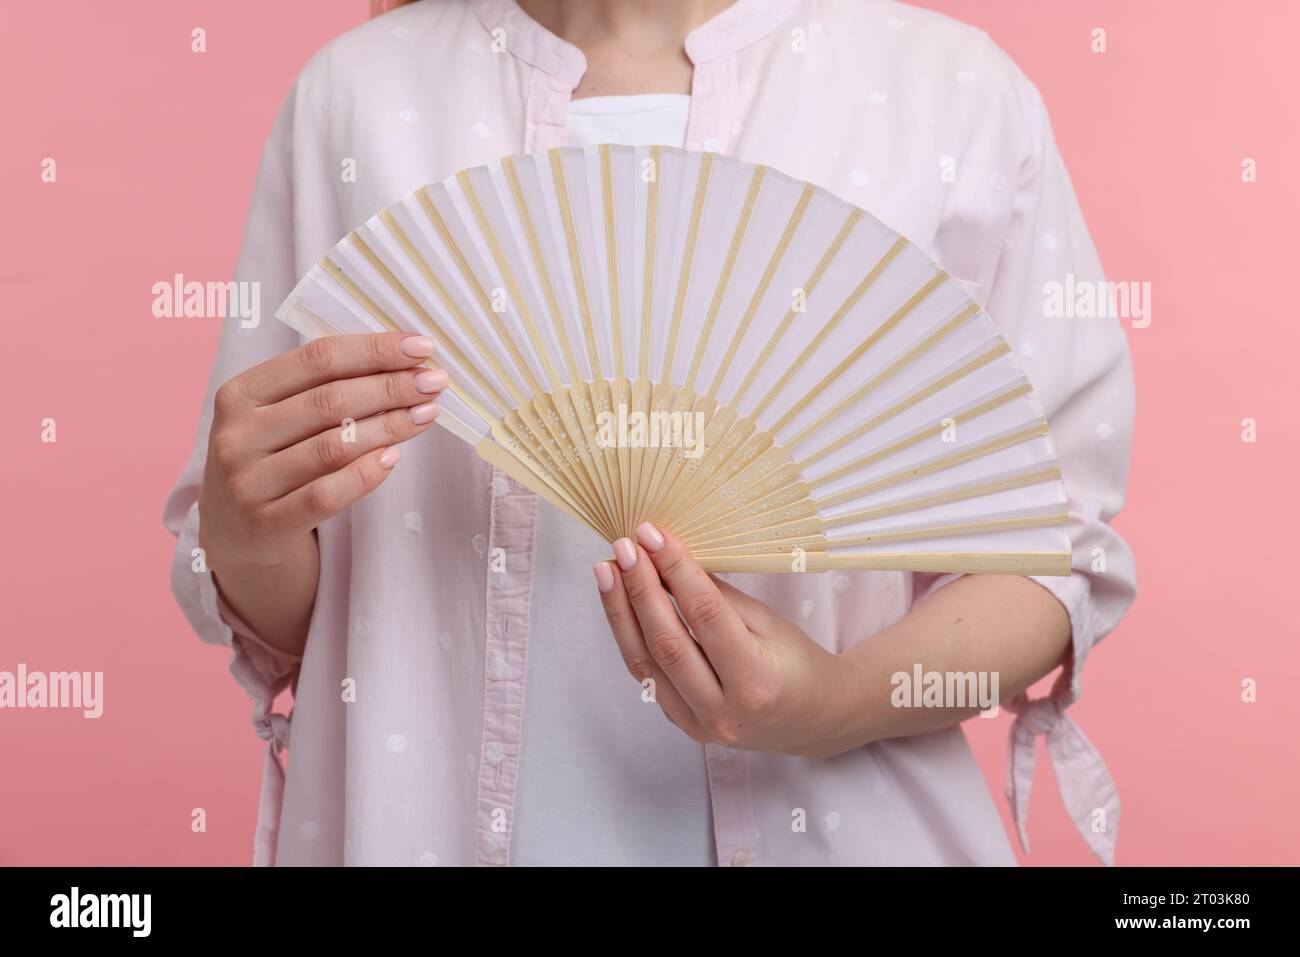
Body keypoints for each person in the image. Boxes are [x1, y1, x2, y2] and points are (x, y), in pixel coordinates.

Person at [164, 0, 1137, 866]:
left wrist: (829, 701)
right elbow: (305, 615)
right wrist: (245, 531)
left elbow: (1047, 561)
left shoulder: (951, 95)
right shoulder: (357, 95)